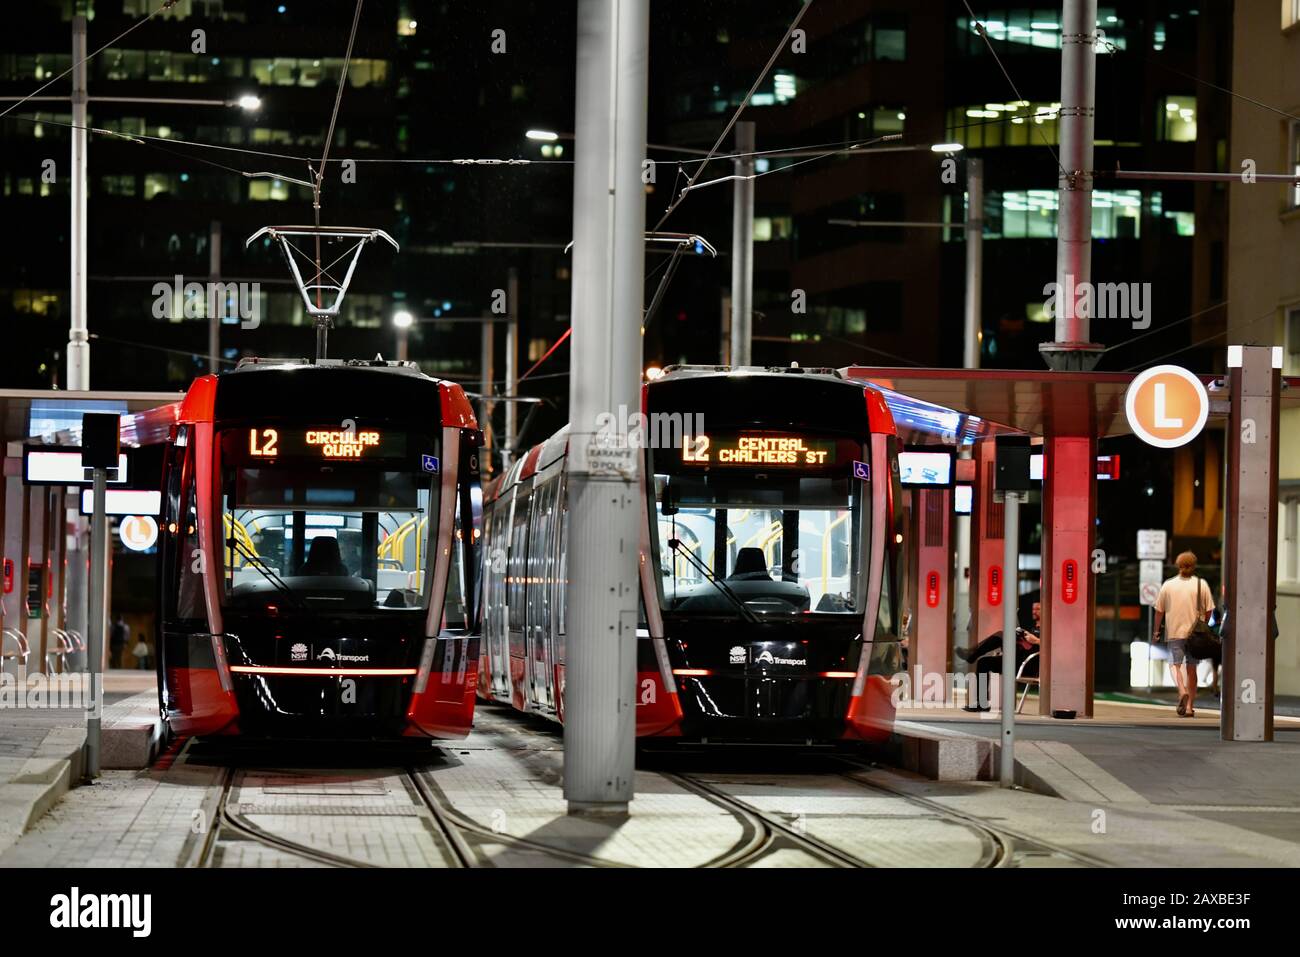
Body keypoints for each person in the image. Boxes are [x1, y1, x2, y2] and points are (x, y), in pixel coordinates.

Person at [1153, 550, 1214, 718]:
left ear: (1178, 566)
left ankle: (1181, 690)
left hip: (1175, 633)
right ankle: (1189, 707)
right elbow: (1209, 610)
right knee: (1192, 669)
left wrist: (1156, 631)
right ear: (1194, 566)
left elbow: (1159, 611)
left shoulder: (1168, 585)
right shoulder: (1201, 585)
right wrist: (1204, 626)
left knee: (1174, 665)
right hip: (1195, 635)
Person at [956, 602, 1041, 712]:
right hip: (1017, 659)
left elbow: (1054, 647)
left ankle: (971, 654)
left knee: (1002, 635)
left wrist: (1036, 640)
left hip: (1029, 665)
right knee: (984, 662)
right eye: (1033, 609)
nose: (1034, 611)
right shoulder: (1033, 627)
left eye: (1038, 609)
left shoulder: (1048, 629)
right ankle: (981, 703)